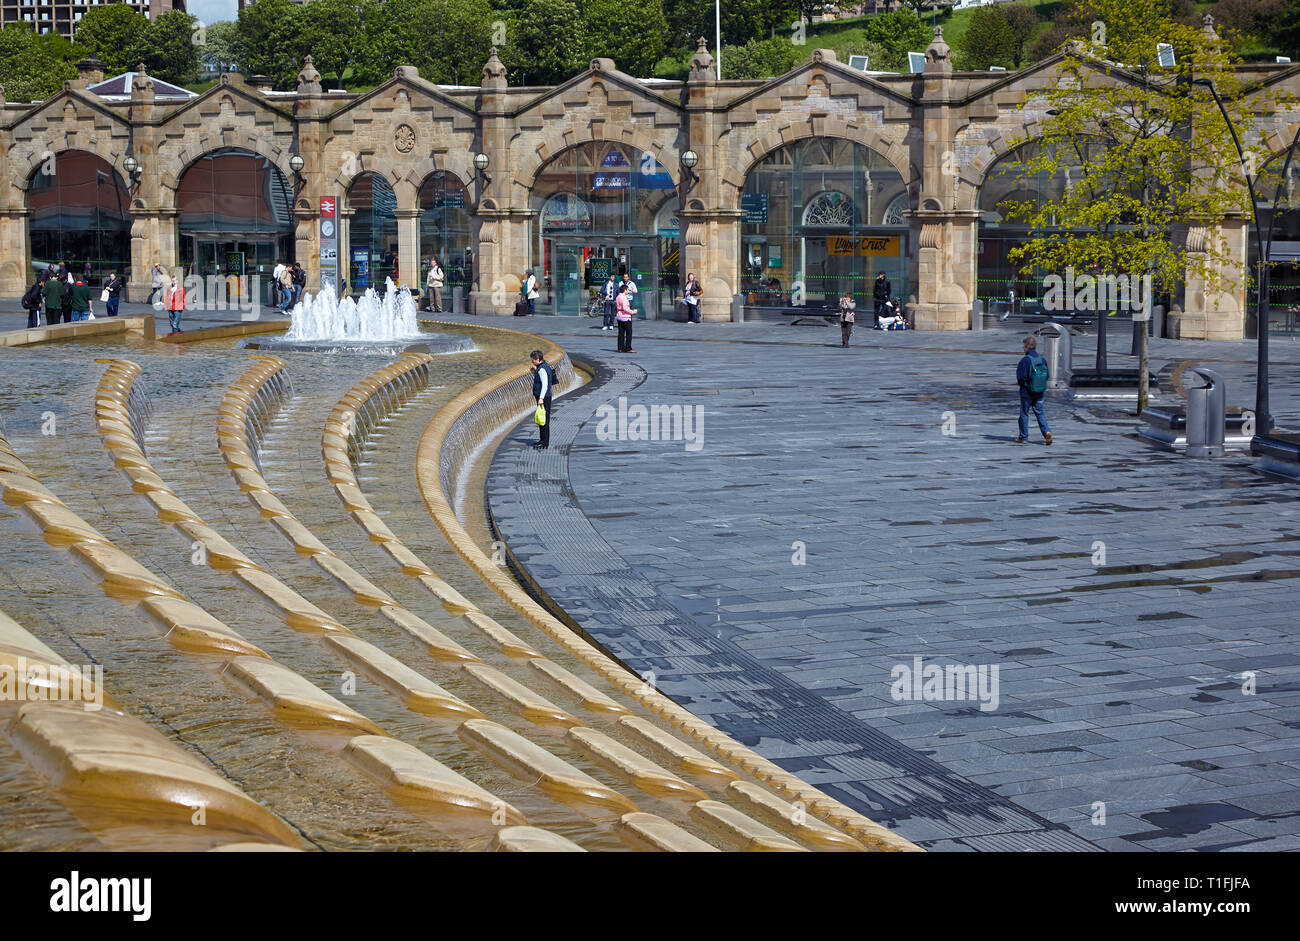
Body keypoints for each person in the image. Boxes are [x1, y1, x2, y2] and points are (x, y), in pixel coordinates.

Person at [1015, 335, 1053, 446]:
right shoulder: (1042, 360)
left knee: (1024, 414)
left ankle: (1023, 437)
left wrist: (1024, 385)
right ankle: (1046, 432)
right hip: (1040, 392)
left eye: (1024, 346)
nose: (1023, 348)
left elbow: (1021, 377)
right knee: (1040, 413)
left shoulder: (1025, 360)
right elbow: (1047, 376)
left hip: (1027, 392)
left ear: (1027, 347)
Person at [529, 350, 555, 450]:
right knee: (542, 419)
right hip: (544, 397)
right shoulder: (542, 367)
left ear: (537, 359)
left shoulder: (542, 369)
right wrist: (534, 373)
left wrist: (541, 398)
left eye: (532, 360)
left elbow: (545, 385)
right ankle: (542, 440)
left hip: (544, 398)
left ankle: (544, 443)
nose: (532, 362)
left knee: (544, 420)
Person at [615, 281, 635, 353]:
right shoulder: (624, 298)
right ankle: (628, 348)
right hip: (626, 317)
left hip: (619, 316)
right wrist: (633, 312)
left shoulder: (618, 297)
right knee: (629, 333)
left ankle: (620, 348)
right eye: (627, 290)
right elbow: (625, 308)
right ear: (625, 290)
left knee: (621, 333)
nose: (628, 291)